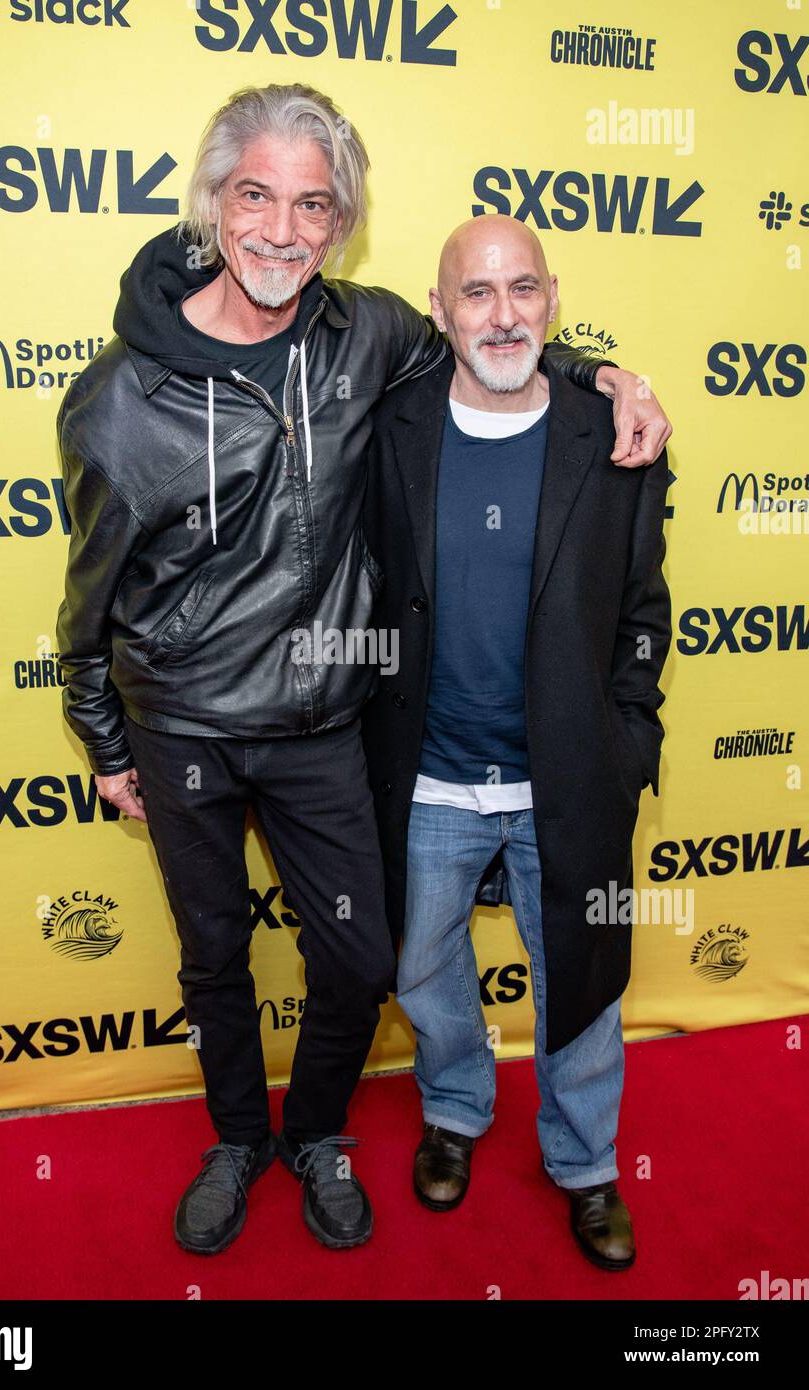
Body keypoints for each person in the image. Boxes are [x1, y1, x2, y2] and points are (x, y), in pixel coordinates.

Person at [55, 82, 672, 1257]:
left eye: (313, 205)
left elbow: (502, 340)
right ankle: (241, 1136)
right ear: (212, 204)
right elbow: (85, 597)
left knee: (358, 955)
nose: (284, 230)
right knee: (214, 952)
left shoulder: (367, 338)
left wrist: (608, 376)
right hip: (183, 725)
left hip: (324, 724)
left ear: (339, 227)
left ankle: (323, 1129)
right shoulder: (116, 397)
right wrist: (104, 739)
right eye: (256, 197)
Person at [360, 213, 671, 1271]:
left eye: (523, 289)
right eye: (477, 293)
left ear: (551, 300)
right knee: (419, 964)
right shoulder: (388, 423)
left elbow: (641, 609)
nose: (503, 315)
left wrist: (625, 743)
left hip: (566, 778)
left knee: (583, 979)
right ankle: (454, 1103)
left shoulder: (613, 434)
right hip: (430, 778)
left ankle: (586, 1167)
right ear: (438, 309)